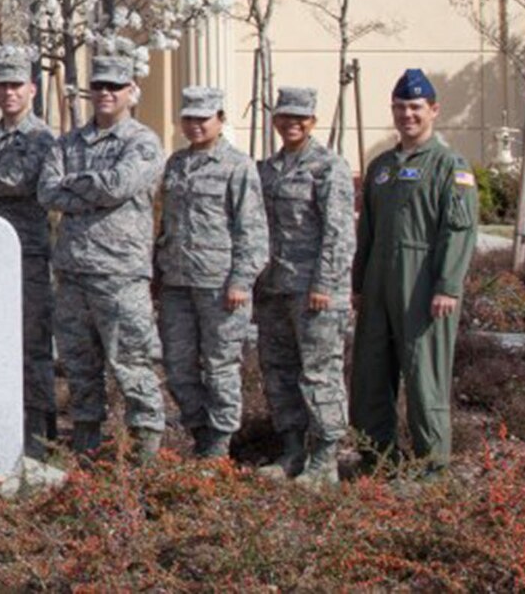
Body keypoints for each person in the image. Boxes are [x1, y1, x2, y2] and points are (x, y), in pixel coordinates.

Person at [38, 56, 166, 462]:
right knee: (80, 369)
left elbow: (121, 184)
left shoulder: (142, 142)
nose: (106, 93)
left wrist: (77, 186)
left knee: (132, 366)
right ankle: (87, 453)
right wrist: (96, 186)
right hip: (73, 272)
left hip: (121, 274)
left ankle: (144, 459)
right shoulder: (68, 143)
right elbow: (47, 192)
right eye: (100, 86)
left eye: (116, 86)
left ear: (131, 92)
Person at [351, 68, 478, 479]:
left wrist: (447, 286)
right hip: (378, 285)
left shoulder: (448, 166)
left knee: (424, 377)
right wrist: (359, 285)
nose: (407, 114)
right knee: (370, 374)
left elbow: (458, 230)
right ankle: (378, 459)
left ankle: (431, 469)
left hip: (423, 286)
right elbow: (366, 230)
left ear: (434, 110)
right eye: (400, 106)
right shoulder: (382, 167)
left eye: (415, 107)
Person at [154, 86, 268, 461]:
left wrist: (241, 280)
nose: (195, 125)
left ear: (220, 120)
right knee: (178, 366)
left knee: (220, 368)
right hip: (176, 283)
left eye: (203, 118)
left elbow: (252, 230)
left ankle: (219, 447)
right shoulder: (176, 163)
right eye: (189, 118)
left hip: (220, 286)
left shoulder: (238, 166)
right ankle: (200, 434)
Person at [255, 85, 357, 487]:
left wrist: (325, 284)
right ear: (276, 120)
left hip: (315, 291)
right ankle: (292, 449)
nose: (291, 124)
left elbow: (338, 232)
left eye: (300, 118)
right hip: (275, 288)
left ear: (313, 122)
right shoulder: (268, 169)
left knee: (319, 372)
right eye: (285, 117)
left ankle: (325, 458)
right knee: (279, 369)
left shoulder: (328, 167)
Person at [0, 50, 58, 458]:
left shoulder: (43, 139)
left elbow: (17, 180)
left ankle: (39, 432)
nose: (9, 93)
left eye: (17, 86)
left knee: (33, 343)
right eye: (3, 86)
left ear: (32, 90)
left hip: (28, 254)